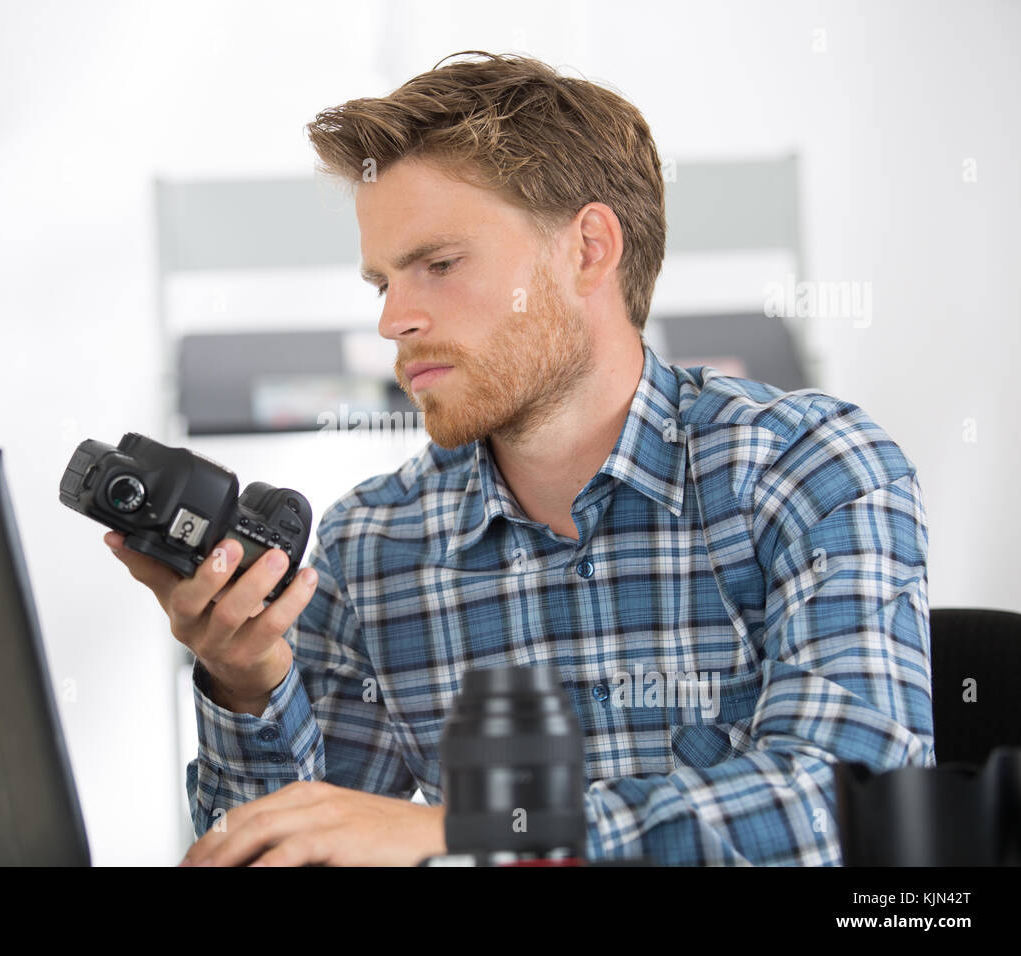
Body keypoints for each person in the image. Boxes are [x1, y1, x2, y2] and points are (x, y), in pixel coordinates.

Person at [107, 50, 933, 866]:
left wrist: (474, 831)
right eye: (381, 282)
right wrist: (246, 677)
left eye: (439, 264)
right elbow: (275, 850)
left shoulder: (812, 470)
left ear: (588, 250)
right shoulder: (373, 545)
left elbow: (851, 806)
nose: (394, 319)